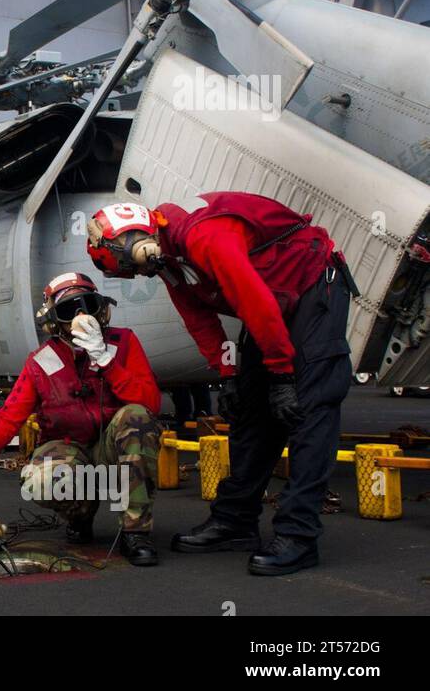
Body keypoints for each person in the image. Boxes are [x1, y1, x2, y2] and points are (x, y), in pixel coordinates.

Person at [86, 194, 355, 575]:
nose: (142, 273)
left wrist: (281, 375)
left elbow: (254, 301)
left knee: (309, 406)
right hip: (271, 303)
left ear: (136, 239)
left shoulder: (205, 238)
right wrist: (227, 375)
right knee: (252, 411)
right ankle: (235, 521)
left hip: (311, 284)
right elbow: (200, 321)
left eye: (134, 266)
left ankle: (300, 535)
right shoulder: (170, 261)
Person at [0, 272, 163, 566]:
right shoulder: (41, 362)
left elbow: (150, 403)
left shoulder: (122, 343)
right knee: (39, 481)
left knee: (136, 418)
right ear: (53, 320)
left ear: (101, 308)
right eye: (68, 310)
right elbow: (8, 418)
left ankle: (135, 532)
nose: (81, 316)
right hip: (68, 448)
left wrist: (106, 361)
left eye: (87, 305)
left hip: (113, 447)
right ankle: (81, 513)